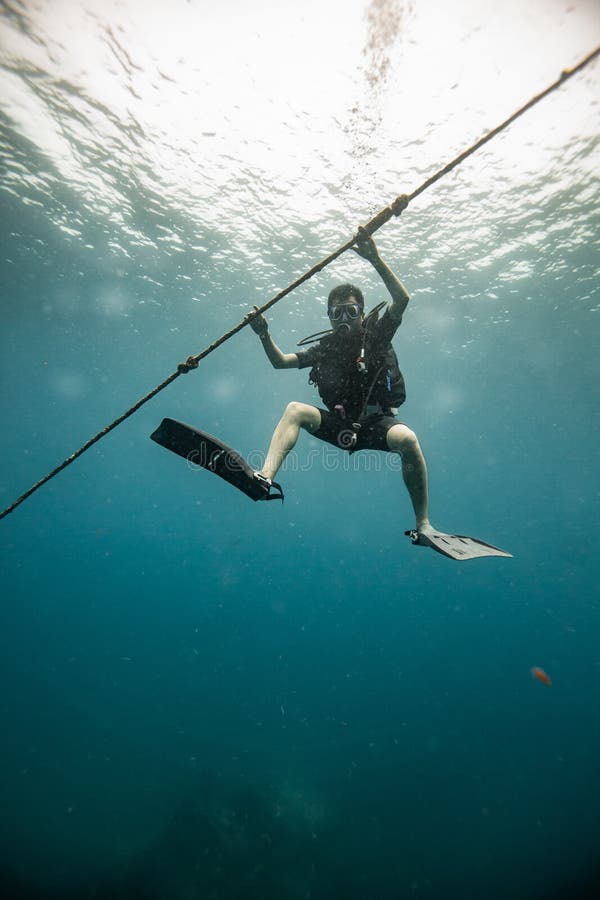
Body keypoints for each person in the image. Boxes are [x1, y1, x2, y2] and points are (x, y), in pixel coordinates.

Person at [248, 226, 437, 543]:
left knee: (407, 438)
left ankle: (425, 525)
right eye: (337, 313)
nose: (344, 319)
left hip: (378, 423)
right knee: (295, 410)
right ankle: (264, 478)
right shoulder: (324, 349)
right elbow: (280, 362)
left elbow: (402, 299)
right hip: (341, 426)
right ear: (329, 316)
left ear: (362, 313)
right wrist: (264, 334)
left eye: (352, 311)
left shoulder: (375, 336)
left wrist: (375, 259)